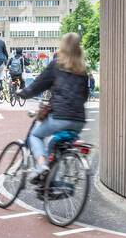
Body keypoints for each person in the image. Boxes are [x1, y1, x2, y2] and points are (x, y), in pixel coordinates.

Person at [16, 32, 89, 185]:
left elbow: (37, 86)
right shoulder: (82, 70)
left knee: (35, 136)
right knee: (54, 144)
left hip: (60, 117)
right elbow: (84, 96)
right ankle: (49, 182)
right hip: (79, 120)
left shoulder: (56, 64)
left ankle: (42, 166)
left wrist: (22, 94)